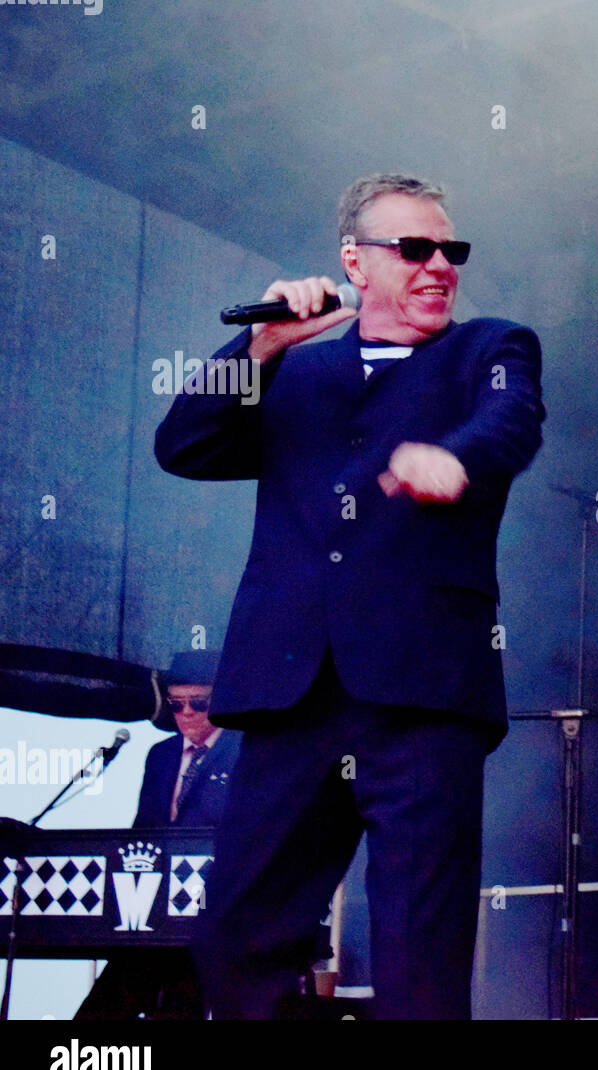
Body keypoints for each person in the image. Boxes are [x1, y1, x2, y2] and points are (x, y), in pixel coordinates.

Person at [154, 173, 545, 1019]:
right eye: (415, 248)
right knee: (236, 937)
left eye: (453, 249)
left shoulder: (490, 347)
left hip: (422, 697)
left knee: (418, 951)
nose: (440, 264)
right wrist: (258, 349)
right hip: (291, 693)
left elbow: (512, 422)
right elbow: (182, 445)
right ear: (354, 263)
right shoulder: (296, 368)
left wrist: (459, 458)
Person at [75, 650, 240, 1019]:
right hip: (153, 913)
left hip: (212, 910)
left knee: (183, 1000)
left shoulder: (244, 750)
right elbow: (143, 830)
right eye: (176, 704)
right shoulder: (160, 755)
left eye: (198, 703)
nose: (186, 714)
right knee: (107, 1004)